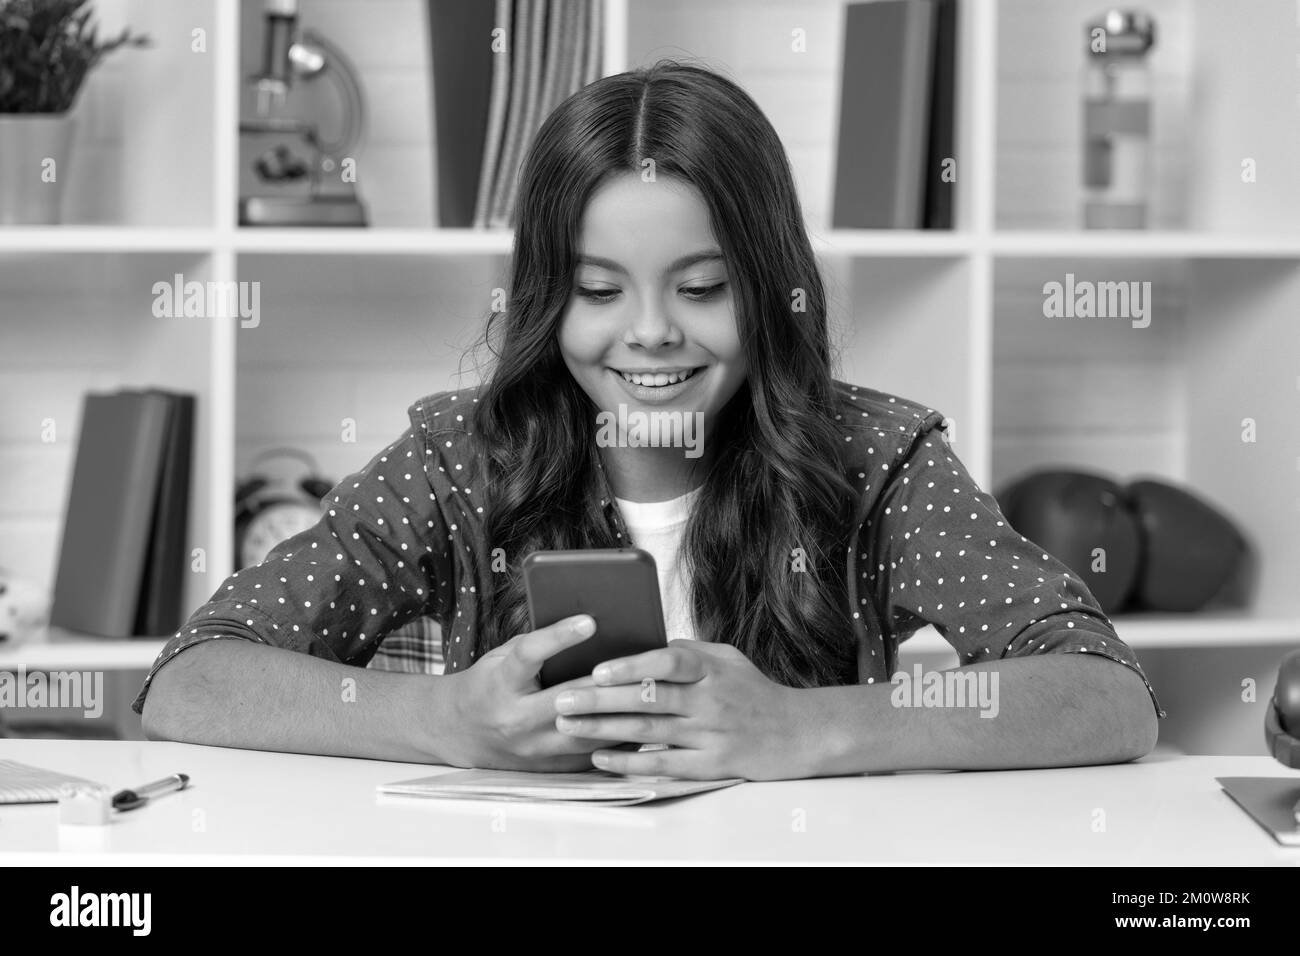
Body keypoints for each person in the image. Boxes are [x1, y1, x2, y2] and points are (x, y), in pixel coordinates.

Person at [138, 61, 1163, 780]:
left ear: (767, 288)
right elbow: (190, 681)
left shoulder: (872, 458)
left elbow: (1106, 695)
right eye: (597, 290)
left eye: (703, 285)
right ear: (547, 298)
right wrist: (442, 720)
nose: (651, 334)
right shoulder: (460, 460)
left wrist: (807, 727)